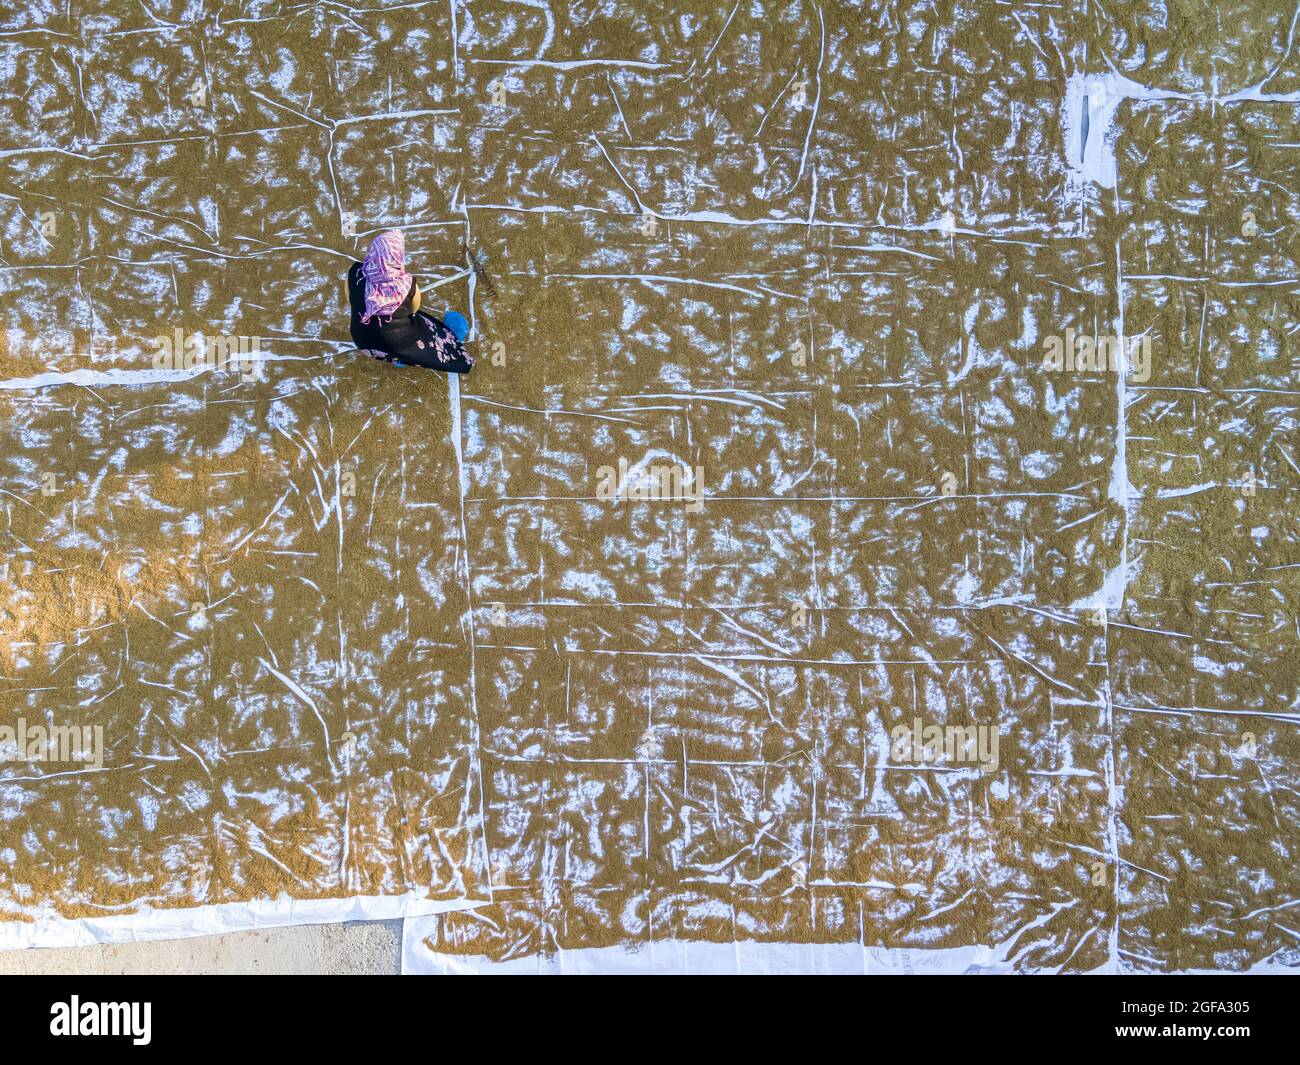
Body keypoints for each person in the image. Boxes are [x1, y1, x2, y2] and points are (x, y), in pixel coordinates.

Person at [346, 230, 474, 373]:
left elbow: (350, 300)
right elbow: (414, 309)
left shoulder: (354, 272)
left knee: (382, 339)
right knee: (427, 335)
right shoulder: (406, 286)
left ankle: (395, 357)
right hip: (396, 343)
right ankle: (404, 357)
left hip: (362, 340)